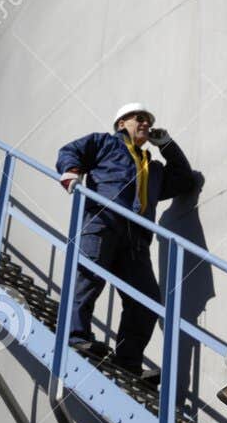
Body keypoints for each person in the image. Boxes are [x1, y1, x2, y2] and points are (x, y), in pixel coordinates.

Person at [55, 103, 198, 378]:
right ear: (122, 123)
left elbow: (183, 180)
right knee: (89, 277)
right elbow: (71, 151)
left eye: (148, 120)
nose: (145, 123)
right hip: (103, 223)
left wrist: (166, 145)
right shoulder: (104, 143)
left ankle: (127, 361)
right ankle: (75, 337)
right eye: (139, 119)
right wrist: (71, 171)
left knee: (145, 300)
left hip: (136, 240)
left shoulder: (153, 168)